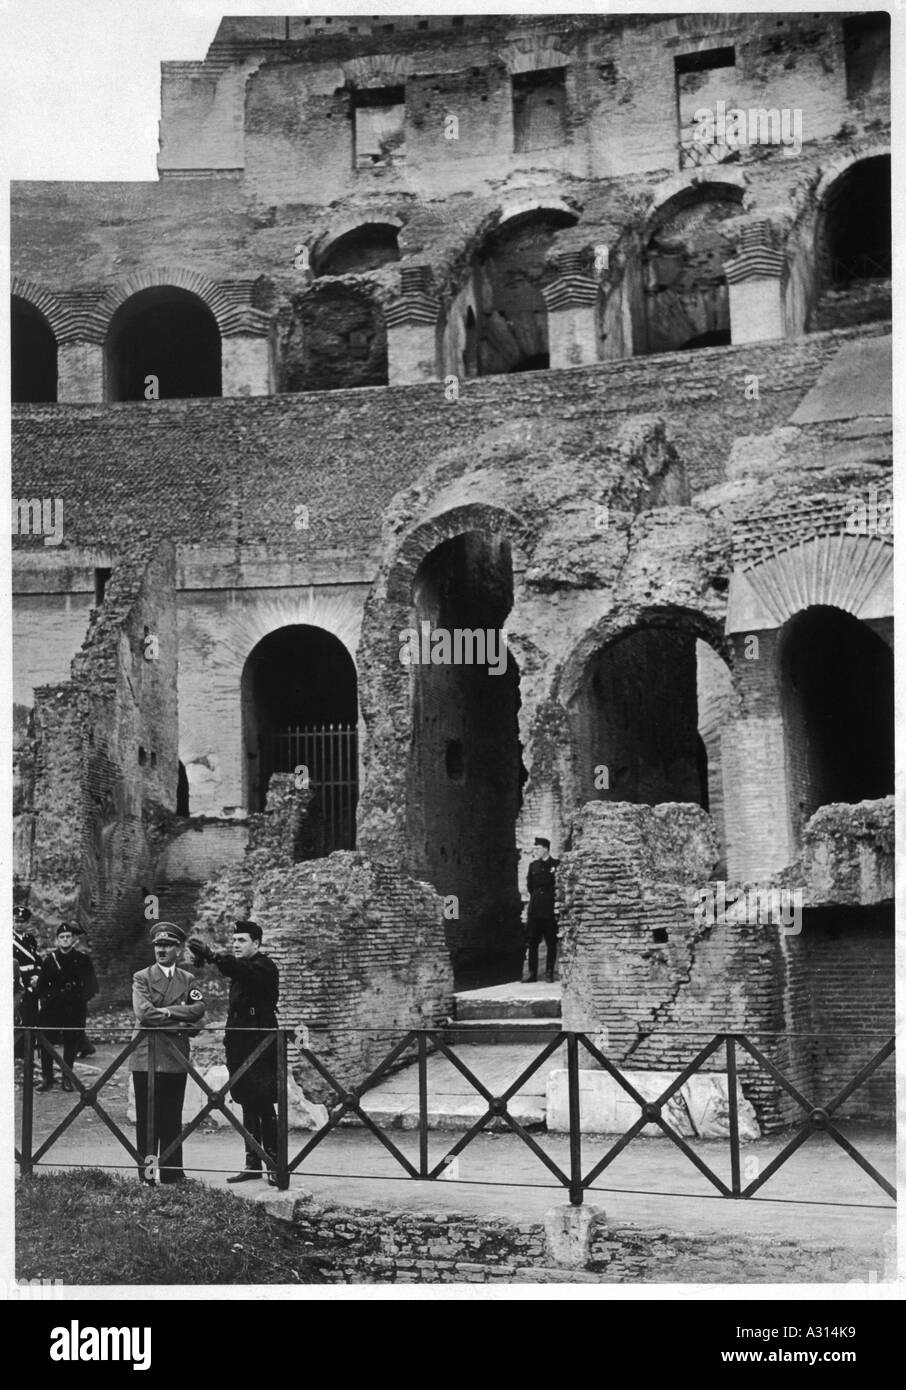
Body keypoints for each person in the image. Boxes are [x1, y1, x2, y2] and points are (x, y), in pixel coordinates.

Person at [188, 921, 280, 1186]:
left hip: (260, 1043)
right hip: (239, 1043)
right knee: (245, 1101)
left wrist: (213, 956)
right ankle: (252, 1164)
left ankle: (273, 1163)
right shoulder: (243, 970)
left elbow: (240, 969)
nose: (237, 945)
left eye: (242, 941)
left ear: (257, 944)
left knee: (263, 1102)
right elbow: (236, 971)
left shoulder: (264, 966)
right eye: (235, 940)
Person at [130, 922, 205, 1185]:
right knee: (147, 1118)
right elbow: (144, 1014)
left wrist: (168, 1012)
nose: (161, 950)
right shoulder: (142, 977)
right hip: (146, 1056)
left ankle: (173, 1174)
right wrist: (180, 1020)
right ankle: (147, 1175)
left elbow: (198, 1015)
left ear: (178, 949)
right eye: (158, 945)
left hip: (175, 1057)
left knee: (172, 1116)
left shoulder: (188, 980)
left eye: (168, 945)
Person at [36, 924, 98, 1091]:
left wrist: (80, 999)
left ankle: (67, 1078)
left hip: (73, 1008)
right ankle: (47, 1078)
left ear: (73, 939)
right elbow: (41, 986)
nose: (65, 940)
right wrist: (48, 998)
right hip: (53, 1008)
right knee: (46, 1043)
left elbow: (92, 986)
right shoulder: (50, 961)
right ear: (57, 940)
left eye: (68, 937)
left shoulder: (82, 960)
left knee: (71, 1043)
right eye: (62, 937)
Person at [525, 836, 560, 984]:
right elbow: (530, 887)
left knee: (551, 942)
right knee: (532, 942)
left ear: (545, 849)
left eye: (538, 848)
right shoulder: (533, 866)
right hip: (535, 909)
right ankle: (532, 973)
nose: (536, 851)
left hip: (549, 909)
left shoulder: (556, 864)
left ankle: (549, 973)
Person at [13, 907, 42, 1060]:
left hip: (33, 983)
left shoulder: (30, 939)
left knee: (32, 1019)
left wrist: (37, 976)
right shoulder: (8, 940)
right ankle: (18, 1057)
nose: (19, 924)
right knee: (19, 1020)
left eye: (22, 922)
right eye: (16, 921)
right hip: (19, 985)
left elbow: (37, 960)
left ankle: (29, 1057)